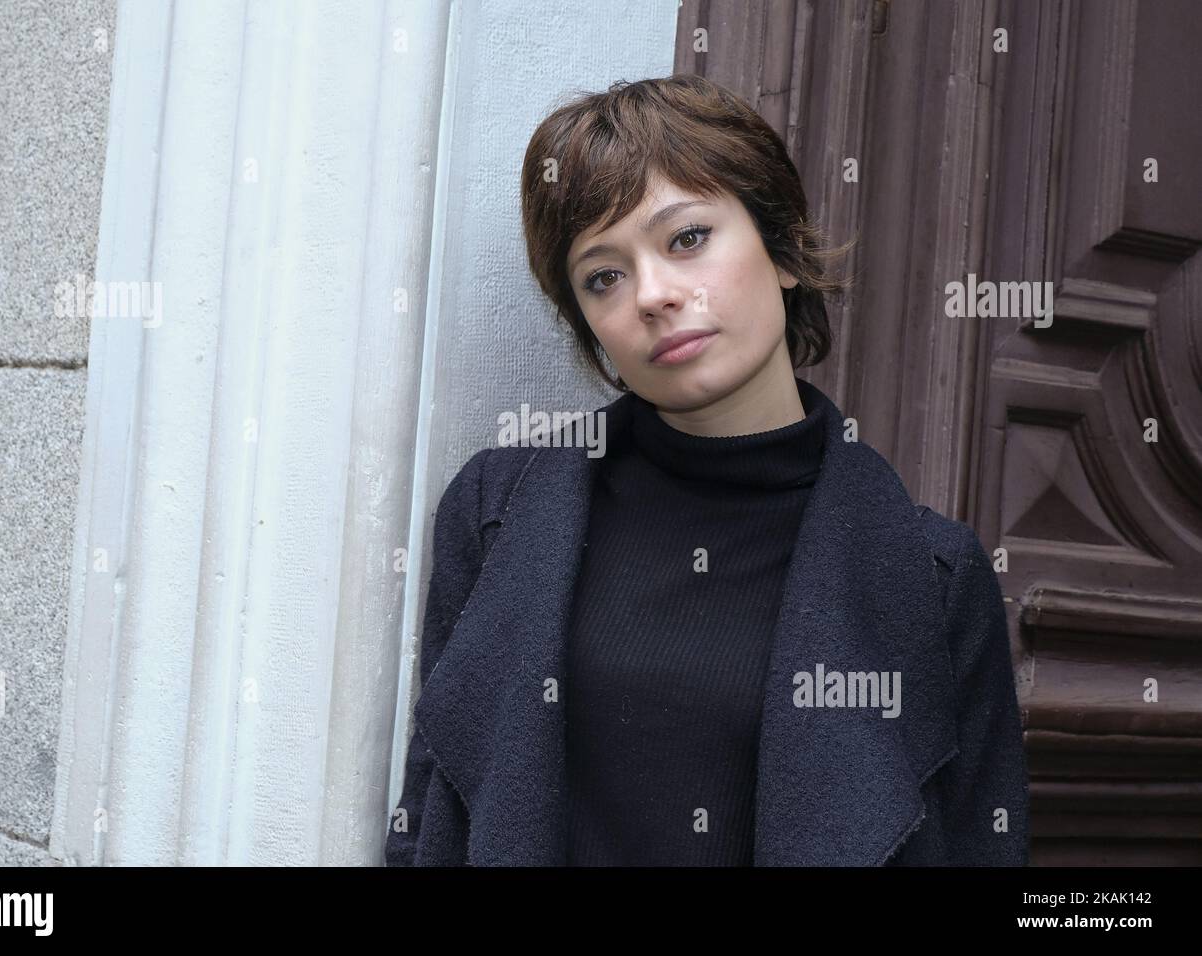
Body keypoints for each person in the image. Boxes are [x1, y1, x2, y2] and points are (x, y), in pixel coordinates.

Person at [384, 74, 1029, 866]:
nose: (652, 295)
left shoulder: (932, 577)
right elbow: (428, 822)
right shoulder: (497, 511)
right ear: (591, 329)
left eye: (686, 238)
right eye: (603, 276)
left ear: (784, 250)